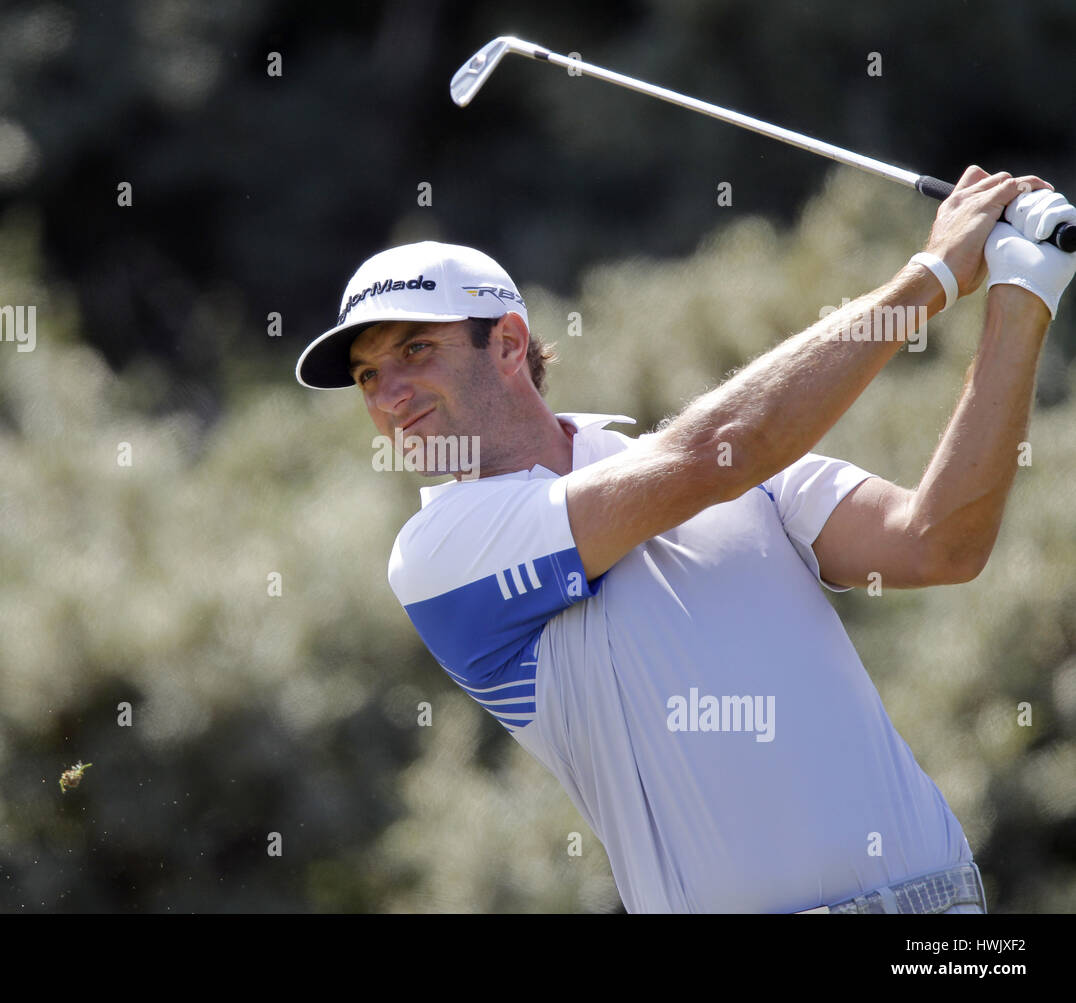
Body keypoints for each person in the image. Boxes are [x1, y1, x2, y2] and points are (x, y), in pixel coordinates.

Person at [294, 166, 1076, 913]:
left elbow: (939, 543)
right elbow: (713, 452)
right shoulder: (440, 554)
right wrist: (930, 276)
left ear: (505, 342)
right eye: (366, 376)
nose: (388, 396)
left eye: (413, 350)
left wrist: (1023, 287)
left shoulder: (745, 477)